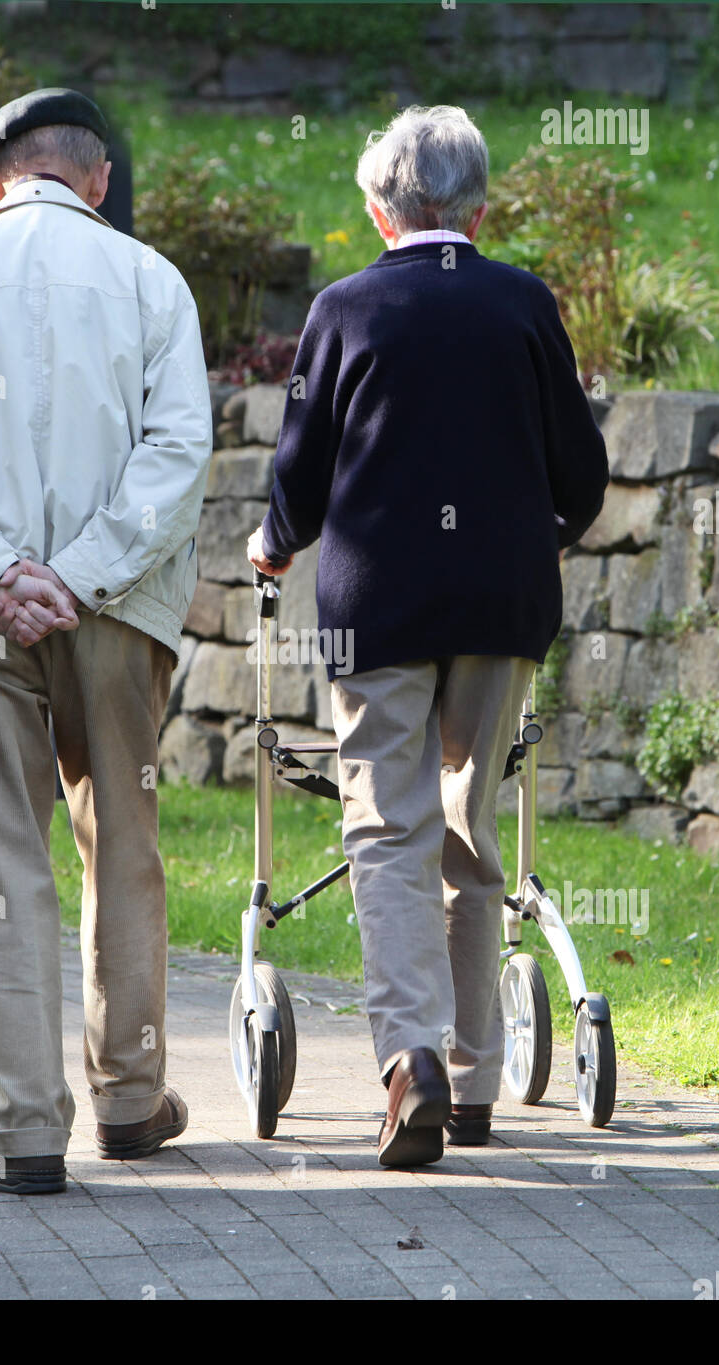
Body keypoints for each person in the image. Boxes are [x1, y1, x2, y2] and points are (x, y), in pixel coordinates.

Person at [247, 105, 608, 1168]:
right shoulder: (524, 304)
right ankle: (478, 1075)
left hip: (378, 610)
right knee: (470, 820)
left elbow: (302, 475)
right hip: (501, 604)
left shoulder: (344, 307)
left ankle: (411, 1062)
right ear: (479, 211)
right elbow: (579, 475)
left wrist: (272, 545)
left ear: (377, 214)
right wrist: (540, 536)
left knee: (385, 827)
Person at [0, 88, 212, 1194]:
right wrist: (77, 574)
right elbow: (176, 453)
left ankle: (24, 1130)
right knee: (123, 837)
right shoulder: (152, 280)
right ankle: (126, 1096)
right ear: (98, 179)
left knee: (3, 862)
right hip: (115, 609)